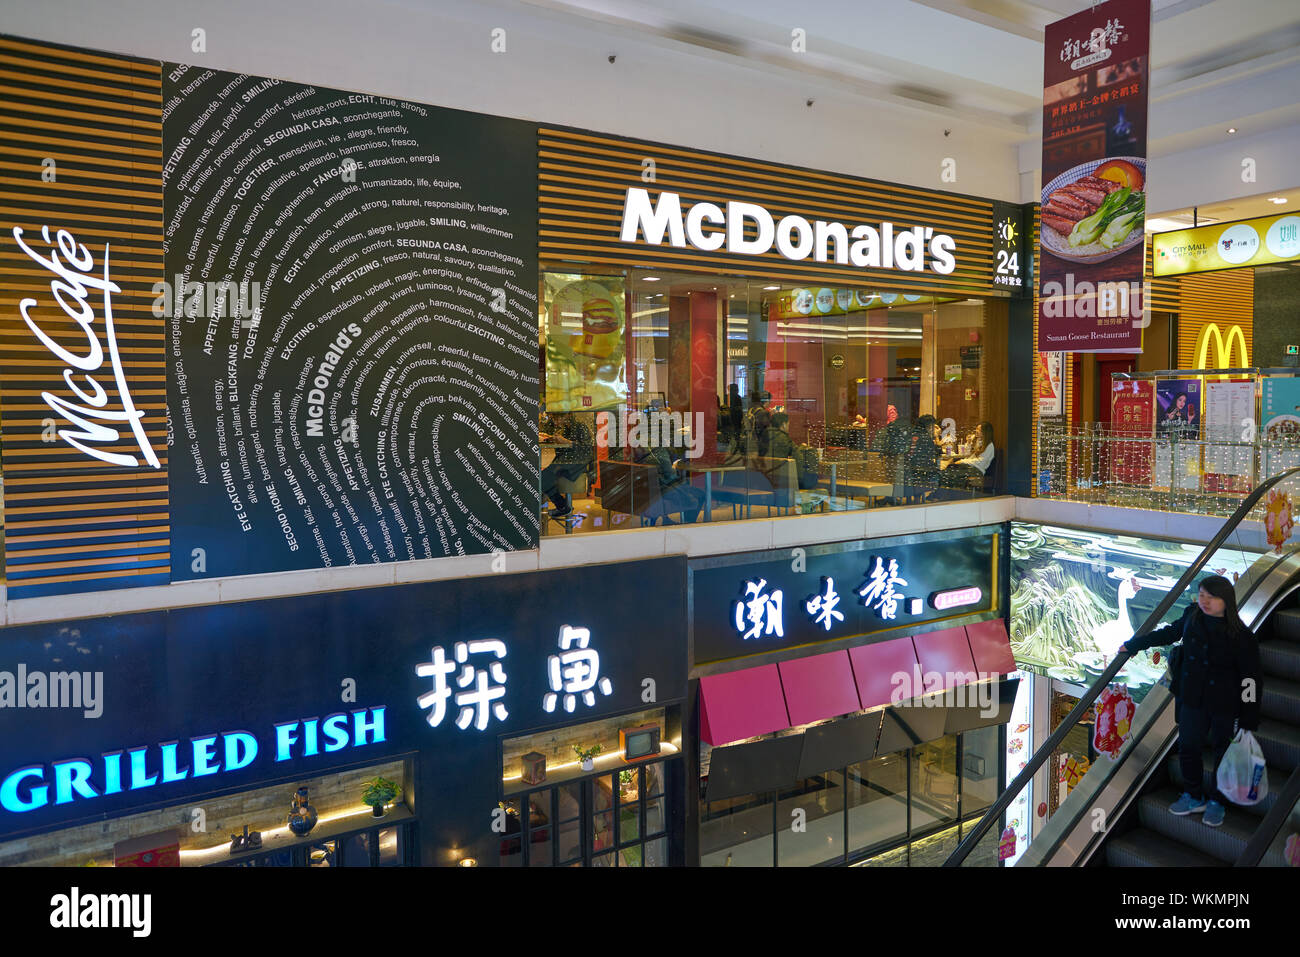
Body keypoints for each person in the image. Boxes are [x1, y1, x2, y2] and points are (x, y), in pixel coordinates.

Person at [1119, 575, 1261, 828]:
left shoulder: (1242, 637)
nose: (1204, 601)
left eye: (1211, 597)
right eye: (1202, 594)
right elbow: (1170, 633)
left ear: (1226, 601)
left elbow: (1250, 679)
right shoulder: (1192, 615)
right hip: (1192, 698)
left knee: (1222, 751)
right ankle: (1193, 795)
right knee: (1188, 746)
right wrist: (1135, 644)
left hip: (1224, 703)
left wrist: (1249, 715)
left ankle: (1218, 800)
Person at [540, 411, 594, 518]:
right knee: (543, 476)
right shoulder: (566, 427)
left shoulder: (580, 426)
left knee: (543, 477)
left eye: (558, 418)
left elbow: (587, 448)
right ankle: (561, 506)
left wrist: (566, 441)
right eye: (554, 419)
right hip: (566, 461)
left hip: (577, 463)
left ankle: (562, 506)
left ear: (568, 415)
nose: (556, 422)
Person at [939, 422, 995, 488]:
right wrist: (969, 443)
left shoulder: (989, 446)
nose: (976, 431)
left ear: (985, 432)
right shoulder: (979, 443)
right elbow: (966, 454)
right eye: (976, 429)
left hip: (977, 471)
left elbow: (981, 462)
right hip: (970, 467)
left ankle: (946, 492)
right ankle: (943, 492)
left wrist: (962, 461)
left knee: (951, 473)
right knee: (949, 469)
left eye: (979, 430)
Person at [903, 414, 941, 500]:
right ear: (929, 426)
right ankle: (932, 497)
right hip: (921, 470)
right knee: (942, 474)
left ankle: (910, 499)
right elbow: (935, 452)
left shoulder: (911, 434)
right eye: (933, 427)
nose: (933, 429)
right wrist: (936, 437)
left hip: (907, 469)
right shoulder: (925, 437)